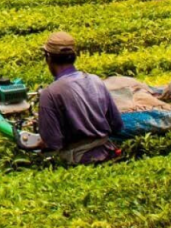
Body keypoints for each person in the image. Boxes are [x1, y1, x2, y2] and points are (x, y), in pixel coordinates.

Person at [32, 32, 123, 165]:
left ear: (48, 58)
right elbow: (117, 125)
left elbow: (53, 142)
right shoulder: (95, 80)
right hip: (109, 152)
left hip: (80, 161)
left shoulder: (50, 93)